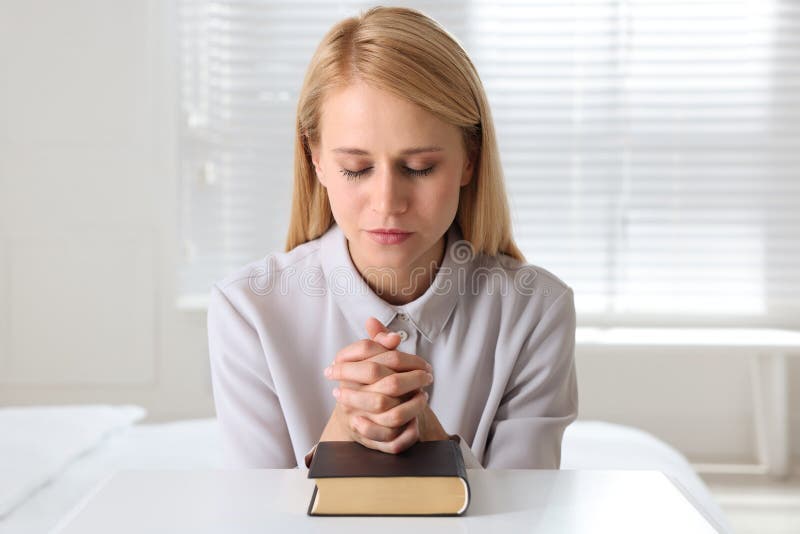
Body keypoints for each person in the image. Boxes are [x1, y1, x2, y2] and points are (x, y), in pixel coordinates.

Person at [207, 6, 578, 470]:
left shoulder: (536, 311)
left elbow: (524, 516)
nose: (387, 202)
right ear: (316, 160)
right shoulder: (248, 310)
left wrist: (431, 438)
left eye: (420, 167)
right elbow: (255, 517)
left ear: (469, 160)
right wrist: (341, 437)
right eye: (356, 168)